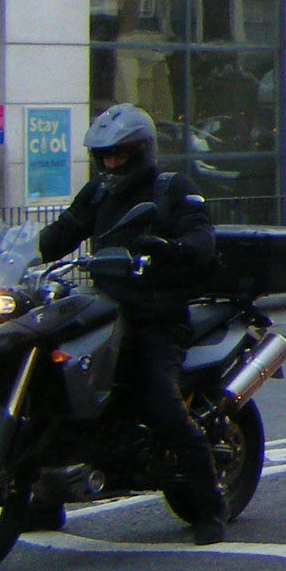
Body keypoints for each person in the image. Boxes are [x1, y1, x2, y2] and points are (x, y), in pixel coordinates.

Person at [35, 105, 230, 544]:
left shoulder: (173, 189)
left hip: (155, 316)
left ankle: (211, 506)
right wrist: (32, 249)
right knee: (54, 385)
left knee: (160, 402)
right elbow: (61, 233)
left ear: (140, 150)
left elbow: (202, 239)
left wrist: (169, 247)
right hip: (106, 308)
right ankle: (44, 500)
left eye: (119, 155)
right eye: (104, 156)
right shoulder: (99, 192)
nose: (110, 163)